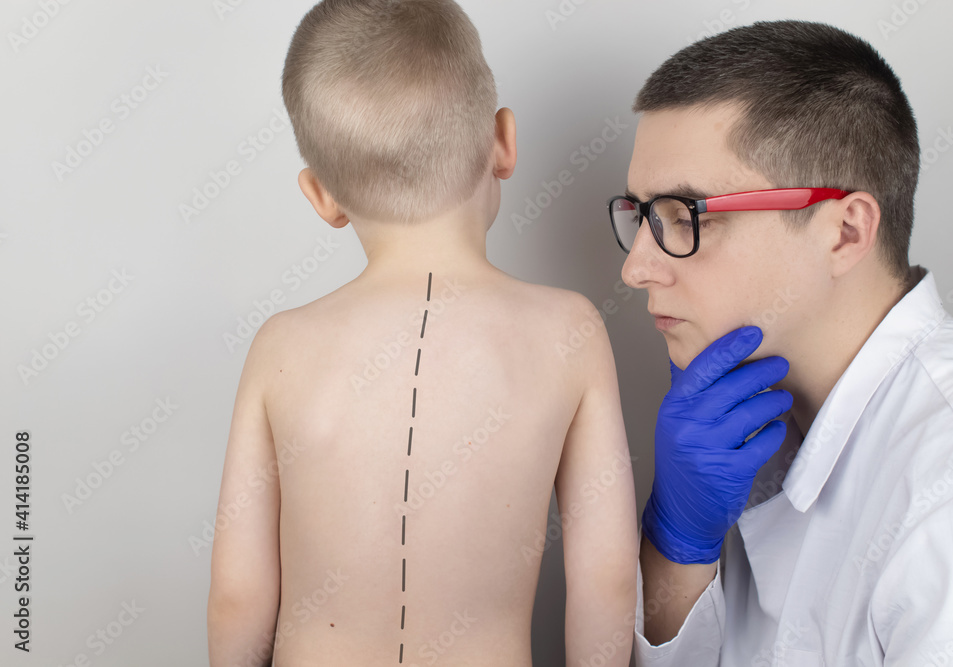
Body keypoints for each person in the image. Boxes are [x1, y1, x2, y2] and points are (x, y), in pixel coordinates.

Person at [206, 1, 639, 666]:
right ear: (503, 141)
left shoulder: (281, 347)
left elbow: (239, 594)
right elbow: (605, 580)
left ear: (321, 196)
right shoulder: (570, 332)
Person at [610, 20, 953, 666]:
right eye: (643, 216)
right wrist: (678, 548)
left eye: (686, 216)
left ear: (845, 231)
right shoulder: (755, 423)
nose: (636, 267)